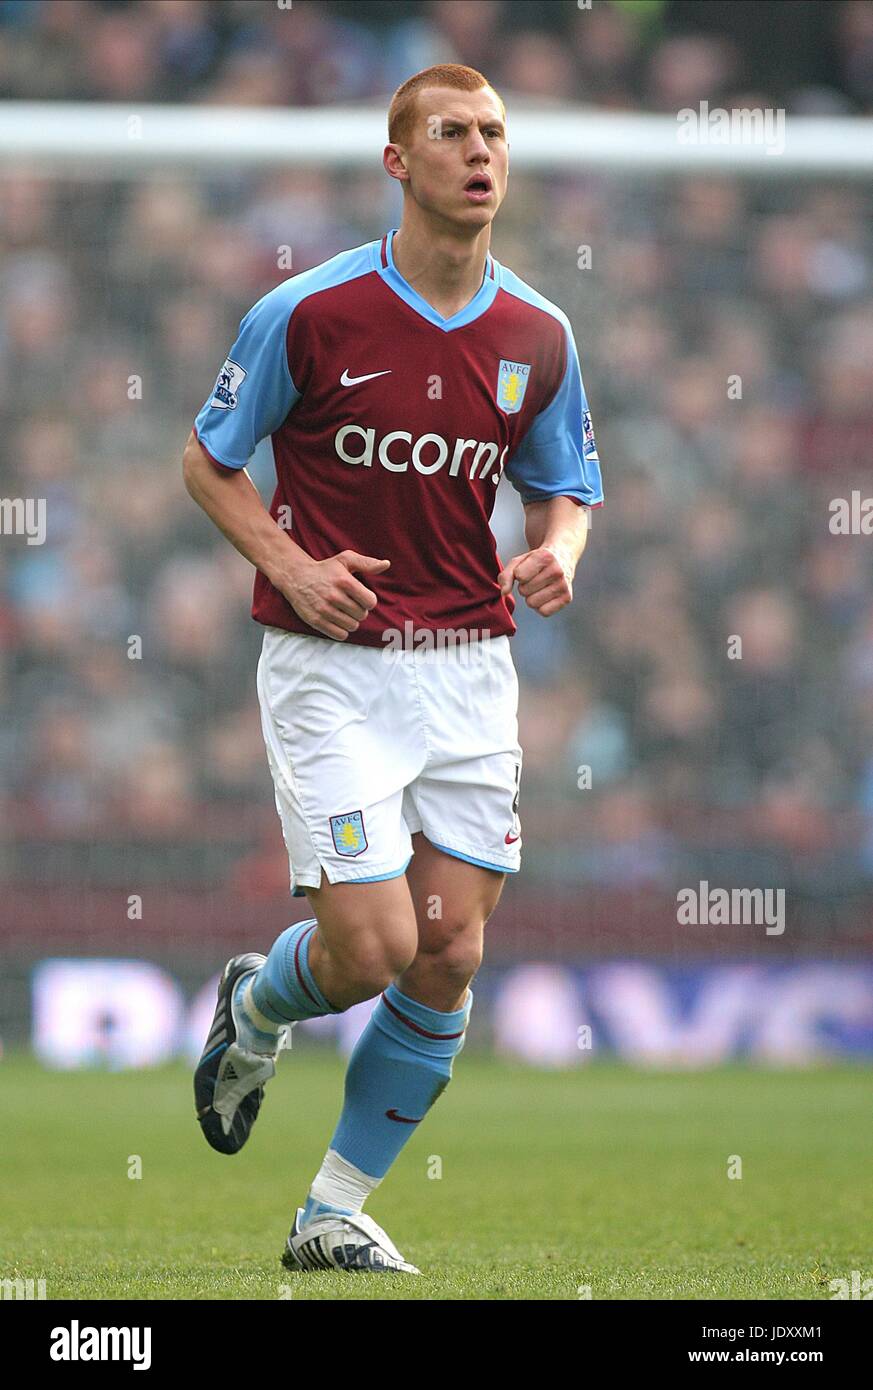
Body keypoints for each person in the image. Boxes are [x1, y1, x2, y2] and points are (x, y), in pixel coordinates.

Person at [182, 63, 603, 1275]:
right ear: (398, 161)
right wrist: (293, 562)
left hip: (470, 666)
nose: (481, 154)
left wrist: (559, 550)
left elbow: (566, 483)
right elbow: (210, 463)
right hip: (333, 661)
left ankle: (331, 1210)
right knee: (368, 948)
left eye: (496, 134)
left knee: (451, 949)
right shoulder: (307, 314)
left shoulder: (539, 331)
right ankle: (259, 1006)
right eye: (453, 134)